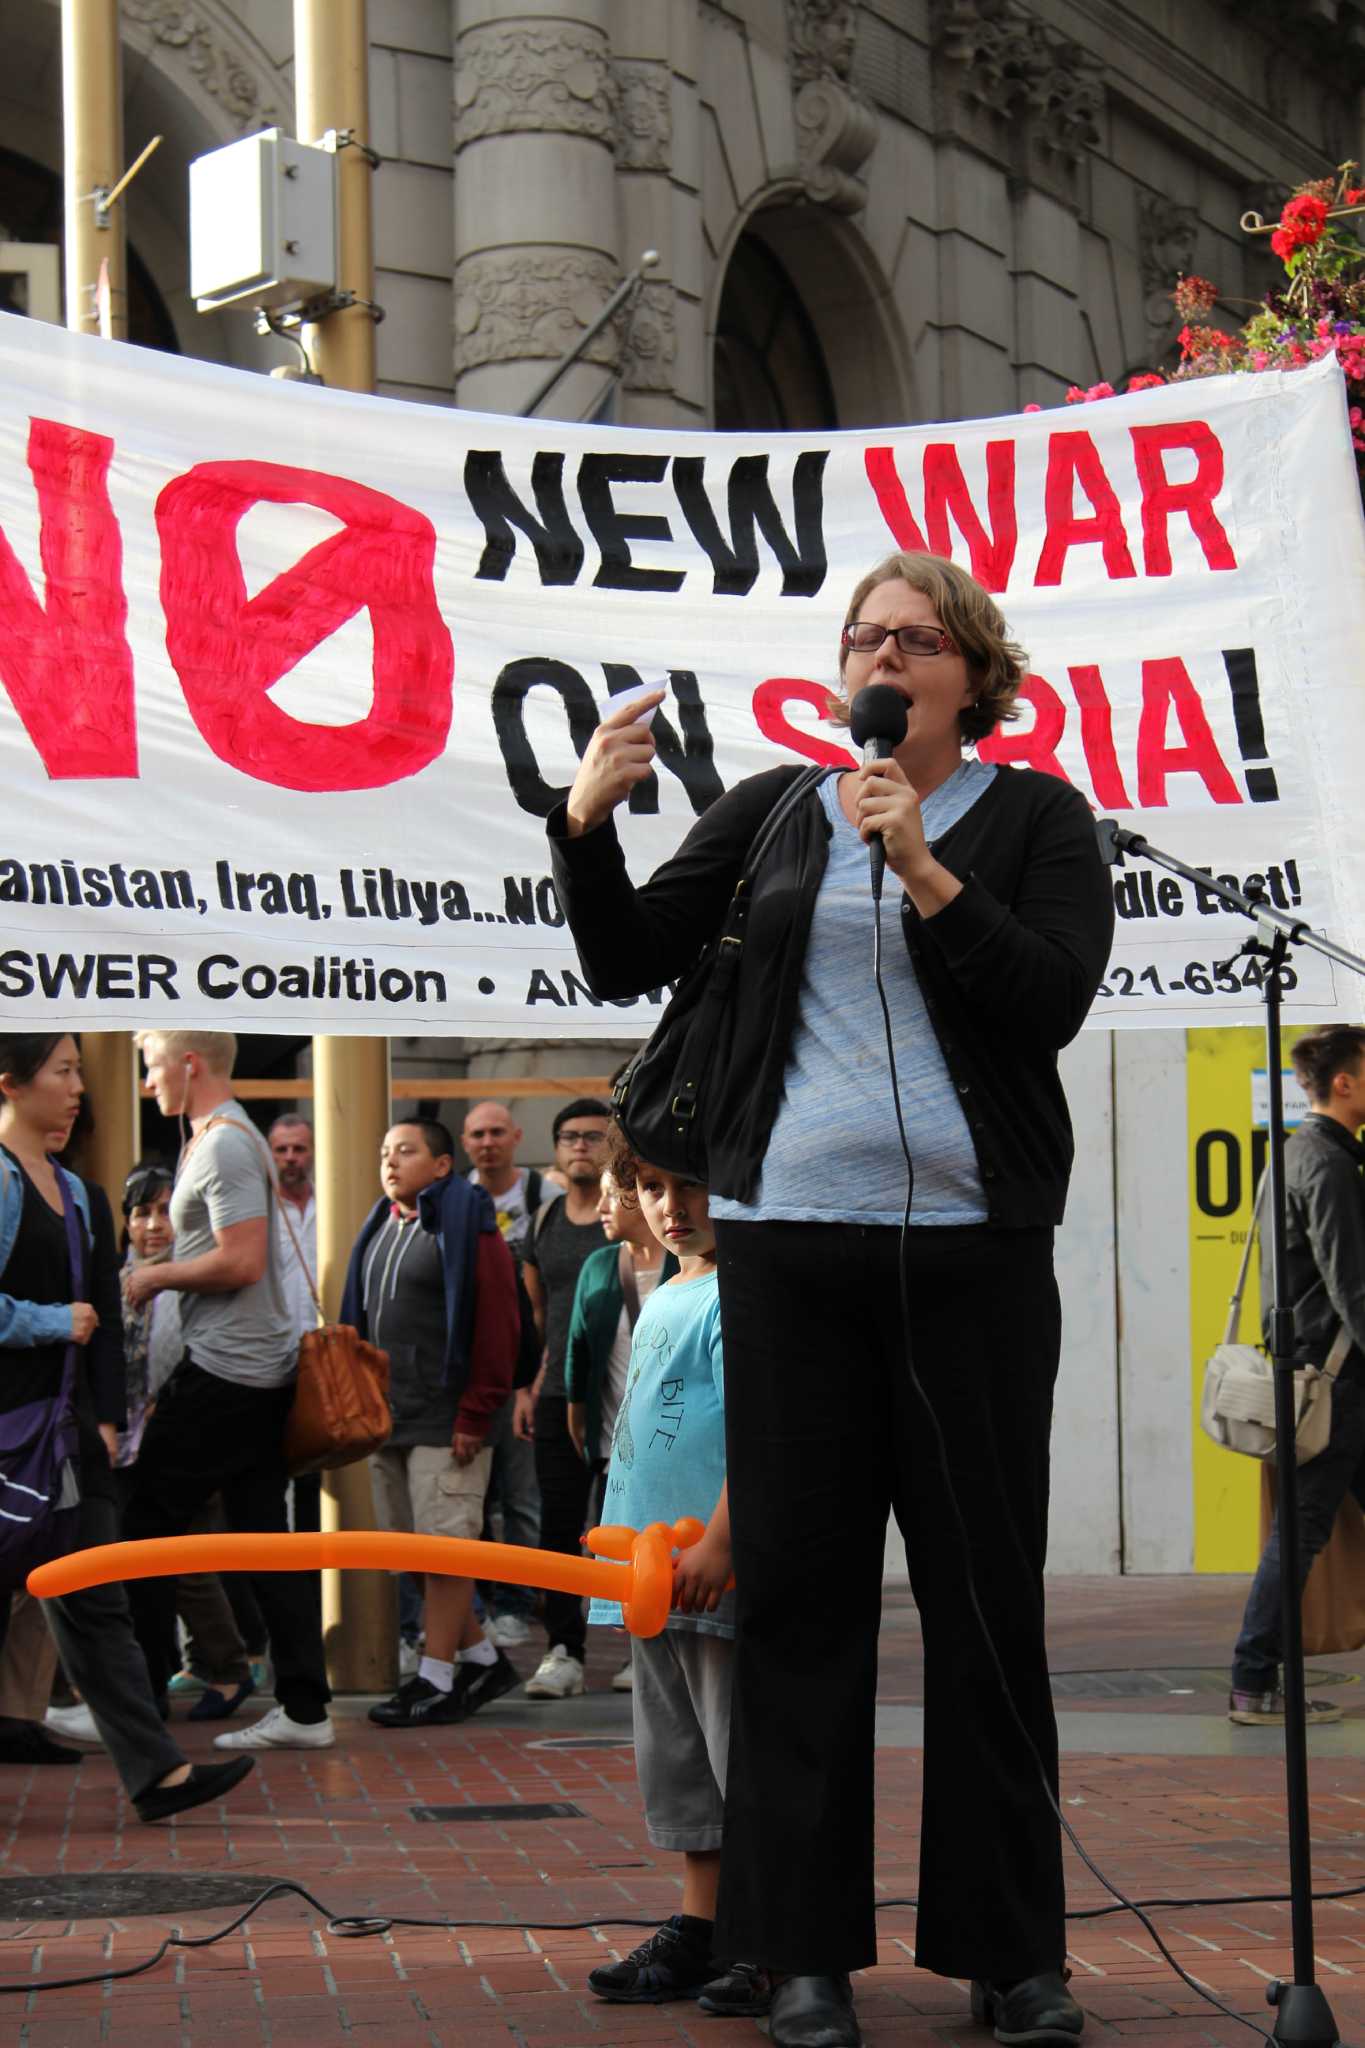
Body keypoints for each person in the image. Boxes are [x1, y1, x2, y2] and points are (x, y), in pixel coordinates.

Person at [548, 551, 1115, 2048]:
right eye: (863, 635)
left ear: (969, 674)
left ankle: (1012, 1957)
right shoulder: (777, 810)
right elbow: (626, 958)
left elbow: (1048, 997)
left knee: (984, 1606)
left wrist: (926, 866)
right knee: (798, 1607)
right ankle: (797, 1953)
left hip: (976, 1259)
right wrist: (584, 824)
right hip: (790, 1251)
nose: (883, 655)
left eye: (914, 638)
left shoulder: (1041, 819)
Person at [0, 1031, 254, 1818]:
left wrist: (107, 1417)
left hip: (72, 1434)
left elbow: (106, 1315)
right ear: (10, 1082)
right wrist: (51, 1322)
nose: (78, 1087)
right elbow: (75, 1316)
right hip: (9, 1430)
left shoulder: (77, 1191)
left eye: (79, 1070)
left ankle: (158, 1775)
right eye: (64, 1071)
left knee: (93, 1597)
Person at [582, 1131, 764, 2020]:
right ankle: (703, 1924)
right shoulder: (664, 1290)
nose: (671, 1205)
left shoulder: (746, 1291)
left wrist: (722, 1539)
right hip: (647, 1575)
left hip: (712, 1573)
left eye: (689, 1184)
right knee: (681, 1763)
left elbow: (759, 1426)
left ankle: (764, 1936)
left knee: (740, 1759)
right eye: (652, 1186)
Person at [124, 1029, 334, 1753]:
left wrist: (149, 1276)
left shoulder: (223, 1145)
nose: (146, 1084)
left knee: (139, 1525)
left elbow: (241, 1261)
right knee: (263, 1544)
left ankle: (135, 1704)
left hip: (227, 1369)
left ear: (188, 1064)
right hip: (252, 1370)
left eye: (151, 1068)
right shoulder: (218, 1139)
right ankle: (306, 1709)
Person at [341, 1119, 522, 1726]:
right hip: (389, 1418)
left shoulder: (469, 1224)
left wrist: (476, 1412)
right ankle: (481, 1658)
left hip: (449, 1422)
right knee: (414, 1554)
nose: (390, 1162)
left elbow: (500, 1328)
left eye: (405, 1151)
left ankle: (435, 1678)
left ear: (442, 1165)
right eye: (384, 1151)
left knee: (446, 1553)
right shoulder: (382, 1222)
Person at [1229, 1025, 1365, 1727]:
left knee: (1300, 1532)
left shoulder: (1294, 1153)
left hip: (1315, 1377)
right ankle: (1252, 1683)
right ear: (1342, 1082)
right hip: (1335, 1387)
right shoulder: (1329, 1164)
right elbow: (1350, 1286)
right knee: (1298, 1535)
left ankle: (1255, 1681)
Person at [565, 1162, 675, 1699]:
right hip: (617, 1440)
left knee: (671, 1541)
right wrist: (579, 1421)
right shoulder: (598, 1266)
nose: (602, 1208)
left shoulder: (689, 1262)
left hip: (674, 1437)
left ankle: (667, 1638)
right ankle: (640, 1642)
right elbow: (578, 1350)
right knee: (623, 1543)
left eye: (613, 1196)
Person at [515, 1098, 611, 1699]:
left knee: (628, 1522)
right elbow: (537, 1315)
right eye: (570, 1136)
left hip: (625, 1388)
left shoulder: (627, 1210)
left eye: (594, 1137)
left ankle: (641, 1642)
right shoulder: (545, 1218)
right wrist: (529, 1386)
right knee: (558, 1523)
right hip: (555, 1393)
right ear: (555, 1148)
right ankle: (563, 1649)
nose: (581, 1146)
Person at [463, 1098, 545, 1648]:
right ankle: (480, 1606)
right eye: (477, 1134)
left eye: (496, 1132)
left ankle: (519, 1603)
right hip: (472, 1371)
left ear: (516, 1136)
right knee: (473, 1500)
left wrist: (535, 1379)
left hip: (525, 1370)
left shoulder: (544, 1198)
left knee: (521, 1496)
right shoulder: (453, 1200)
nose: (487, 1142)